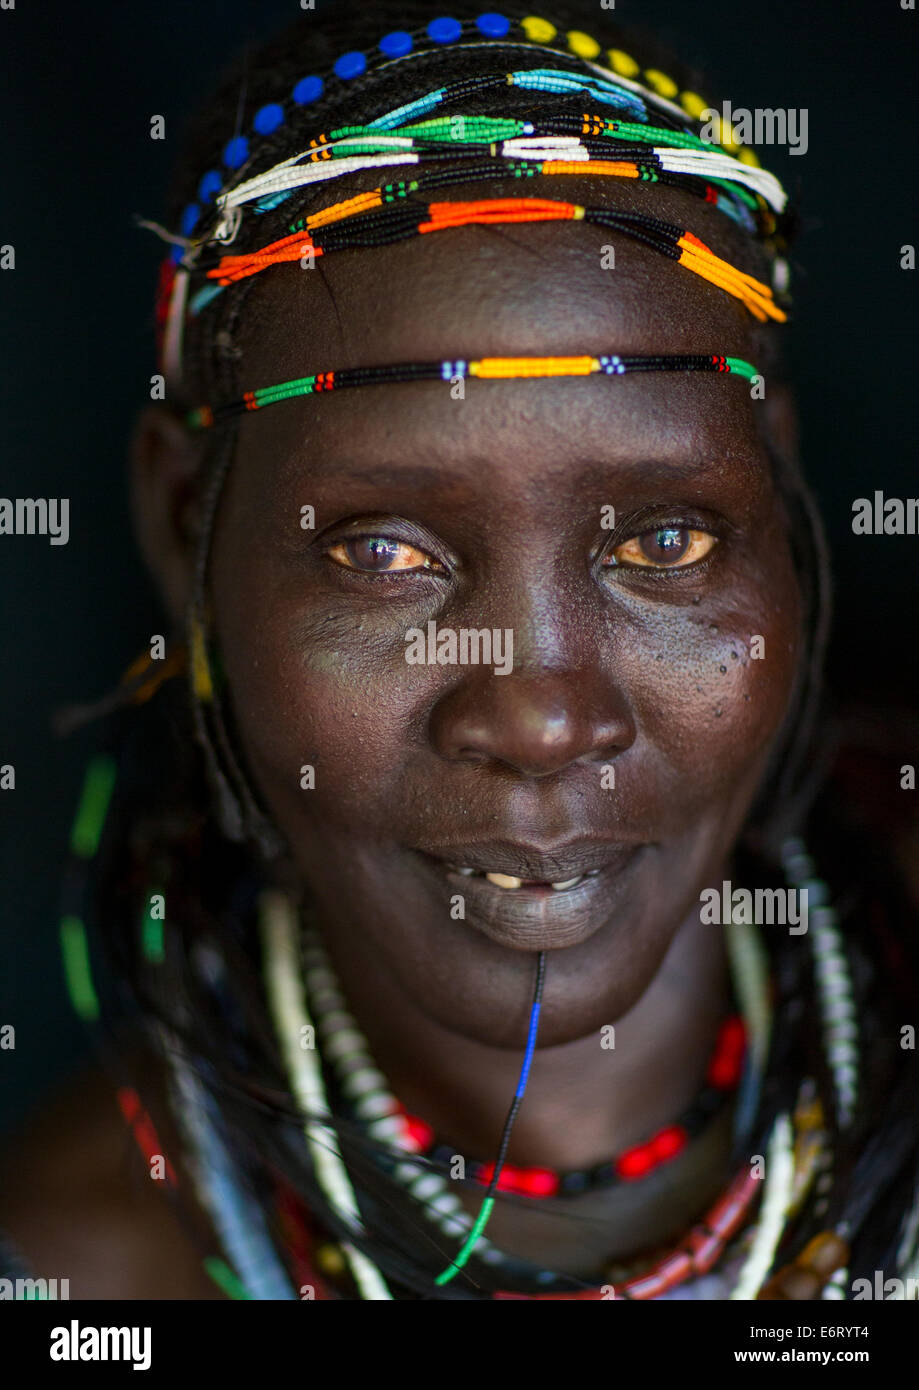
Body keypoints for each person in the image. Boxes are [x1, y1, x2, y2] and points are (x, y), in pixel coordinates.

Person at [2, 0, 918, 1301]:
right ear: (187, 525)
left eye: (664, 538)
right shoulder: (74, 1276)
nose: (544, 715)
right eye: (384, 551)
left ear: (779, 498)